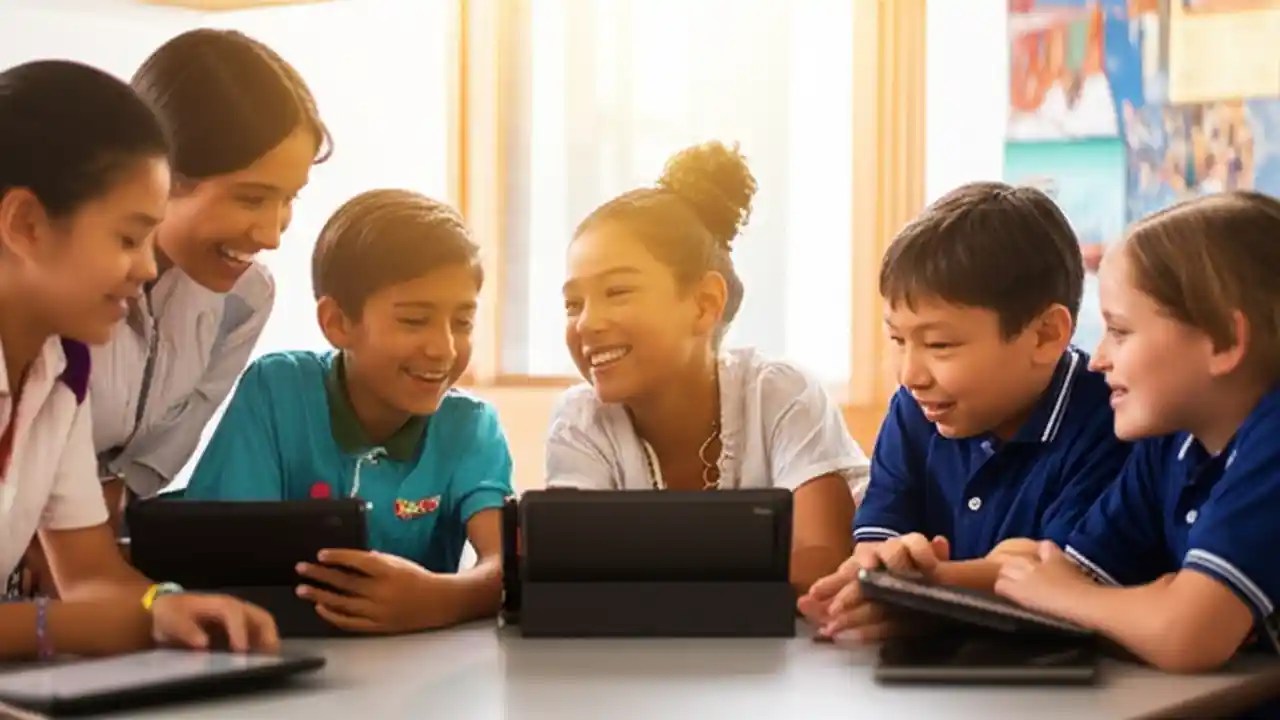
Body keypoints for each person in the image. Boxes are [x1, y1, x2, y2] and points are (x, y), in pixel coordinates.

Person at [0, 59, 277, 659]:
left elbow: (89, 574)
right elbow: (78, 614)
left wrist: (166, 606)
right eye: (128, 239)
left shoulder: (61, 372)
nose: (148, 268)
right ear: (26, 225)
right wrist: (57, 628)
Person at [798, 182, 1130, 641]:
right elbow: (878, 541)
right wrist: (869, 579)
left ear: (1045, 335)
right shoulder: (915, 410)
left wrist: (919, 587)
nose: (909, 374)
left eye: (939, 345)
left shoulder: (1110, 421)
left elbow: (1061, 582)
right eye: (897, 339)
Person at [182, 189, 512, 634]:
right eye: (414, 320)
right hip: (277, 651)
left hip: (417, 666)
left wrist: (440, 600)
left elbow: (508, 565)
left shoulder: (470, 427)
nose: (444, 348)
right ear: (337, 323)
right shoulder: (277, 391)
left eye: (462, 322)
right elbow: (218, 554)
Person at [546, 141, 867, 596]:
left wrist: (644, 569)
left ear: (704, 304)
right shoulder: (580, 420)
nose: (586, 323)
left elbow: (820, 560)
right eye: (573, 303)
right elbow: (575, 568)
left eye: (617, 292)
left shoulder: (780, 395)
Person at [995, 191, 1280, 672]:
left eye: (1120, 331)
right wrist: (921, 584)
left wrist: (1071, 596)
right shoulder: (1171, 442)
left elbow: (1186, 635)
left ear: (1224, 342)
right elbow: (1074, 574)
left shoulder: (1271, 442)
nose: (1098, 359)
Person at [93, 28, 331, 517]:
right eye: (252, 198)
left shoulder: (245, 297)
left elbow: (154, 461)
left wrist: (101, 515)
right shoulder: (59, 286)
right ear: (164, 173)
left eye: (289, 198)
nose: (272, 235)